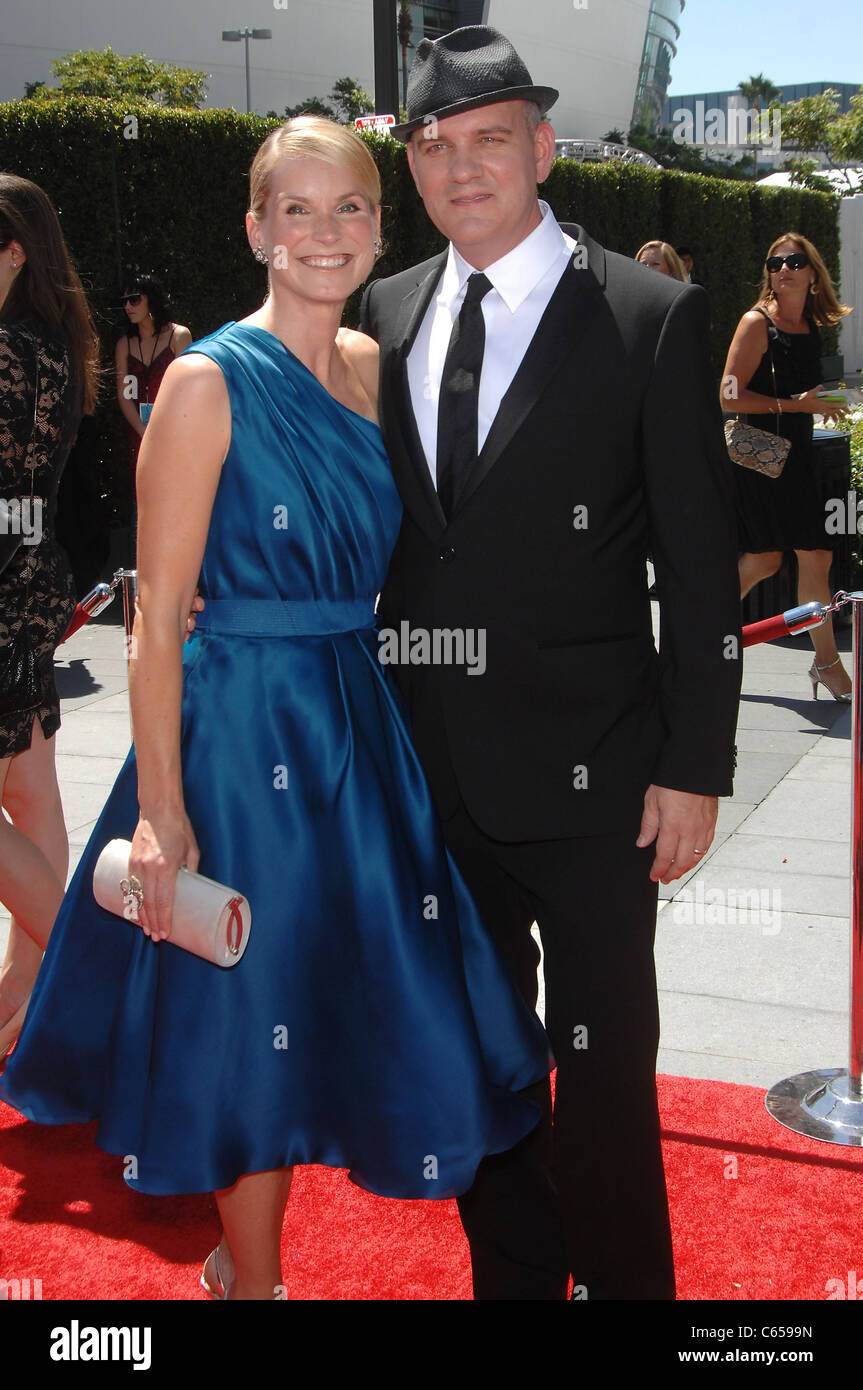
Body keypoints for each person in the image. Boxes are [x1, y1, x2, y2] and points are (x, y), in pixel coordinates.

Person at [0, 117, 552, 1302]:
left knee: (322, 995)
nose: (322, 232)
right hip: (240, 732)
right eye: (292, 209)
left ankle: (234, 1263)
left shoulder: (379, 367)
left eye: (346, 207)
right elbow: (155, 619)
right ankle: (254, 1282)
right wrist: (158, 811)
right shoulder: (203, 382)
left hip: (355, 724)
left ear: (374, 226)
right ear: (254, 228)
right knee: (249, 1014)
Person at [360, 25, 741, 1299]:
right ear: (412, 167)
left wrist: (693, 765)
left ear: (541, 146)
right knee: (478, 1067)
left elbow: (697, 570)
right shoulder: (387, 310)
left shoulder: (648, 315)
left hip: (596, 786)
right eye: (434, 147)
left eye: (487, 141)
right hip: (434, 784)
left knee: (605, 1079)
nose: (461, 170)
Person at [0, 174, 99, 1061]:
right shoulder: (56, 347)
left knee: (26, 794)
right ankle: (23, 997)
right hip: (29, 583)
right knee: (29, 793)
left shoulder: (4, 350)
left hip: (2, 586)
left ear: (14, 251)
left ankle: (81, 975)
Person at [722, 232, 853, 700]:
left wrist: (826, 403)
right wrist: (797, 407)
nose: (784, 269)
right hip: (760, 459)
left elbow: (804, 396)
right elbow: (728, 395)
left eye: (795, 262)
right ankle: (827, 663)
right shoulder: (757, 323)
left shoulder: (810, 328)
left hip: (796, 458)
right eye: (775, 263)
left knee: (784, 558)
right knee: (782, 557)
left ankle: (699, 637)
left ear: (813, 274)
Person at [114, 275, 191, 482]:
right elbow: (124, 396)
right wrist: (143, 430)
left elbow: (186, 390)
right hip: (139, 434)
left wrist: (165, 429)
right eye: (124, 302)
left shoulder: (179, 335)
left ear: (152, 299)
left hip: (174, 430)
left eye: (135, 299)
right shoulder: (125, 345)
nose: (128, 306)